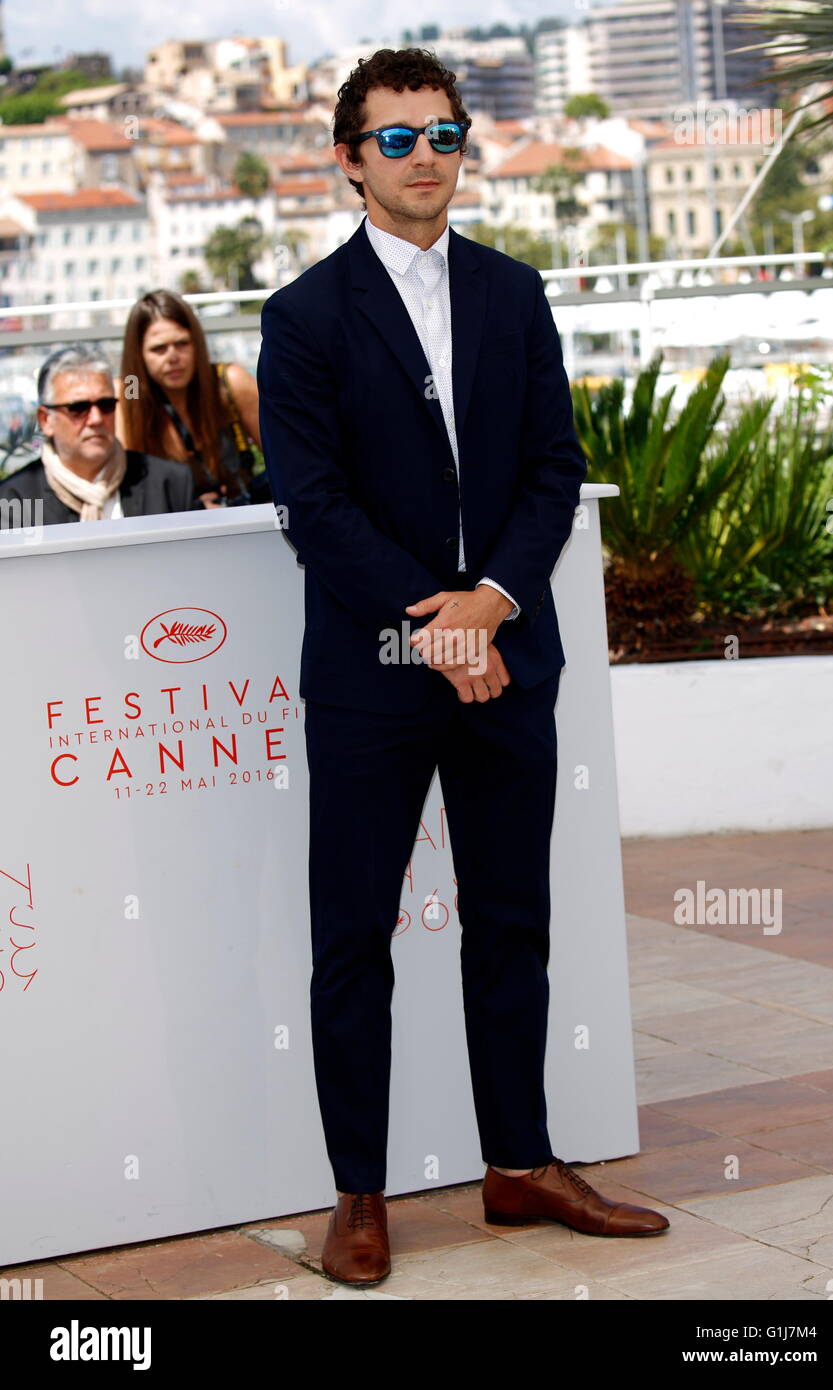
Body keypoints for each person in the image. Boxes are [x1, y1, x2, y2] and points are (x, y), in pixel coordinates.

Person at [257, 46, 669, 1290]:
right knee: (352, 939)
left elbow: (553, 470)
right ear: (350, 161)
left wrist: (490, 604)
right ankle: (360, 1195)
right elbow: (312, 506)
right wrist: (436, 624)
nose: (425, 156)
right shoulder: (304, 317)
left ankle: (519, 1165)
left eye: (444, 134)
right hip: (373, 677)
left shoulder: (513, 292)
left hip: (507, 659)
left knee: (511, 924)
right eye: (397, 138)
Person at [0, 343, 197, 524]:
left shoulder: (170, 483)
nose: (96, 419)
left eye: (106, 405)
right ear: (45, 420)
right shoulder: (15, 500)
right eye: (78, 408)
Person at [115, 288, 270, 509]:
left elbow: (287, 457)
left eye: (182, 343)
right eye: (159, 349)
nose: (173, 357)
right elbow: (126, 488)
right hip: (167, 521)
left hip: (242, 515)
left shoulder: (229, 382)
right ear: (138, 354)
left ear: (197, 343)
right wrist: (192, 506)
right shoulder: (127, 397)